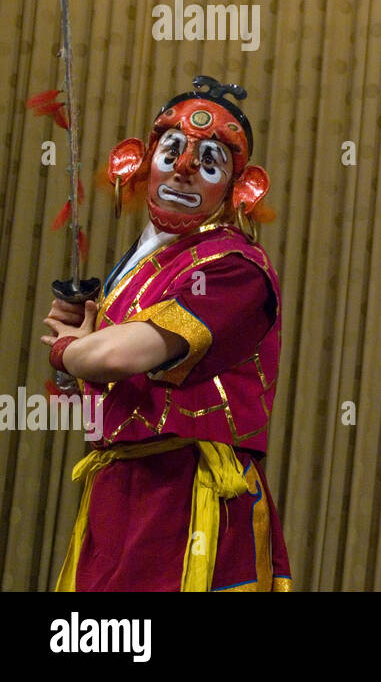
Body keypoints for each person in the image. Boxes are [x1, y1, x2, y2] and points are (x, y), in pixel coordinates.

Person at [41, 75, 291, 592]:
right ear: (135, 160)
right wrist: (78, 366)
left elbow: (113, 358)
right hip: (119, 490)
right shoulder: (138, 269)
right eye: (172, 151)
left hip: (187, 492)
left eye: (209, 164)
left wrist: (74, 353)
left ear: (240, 188)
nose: (183, 172)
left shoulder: (235, 267)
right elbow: (106, 386)